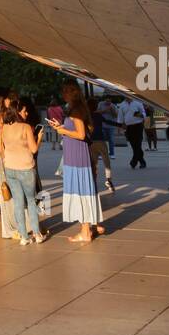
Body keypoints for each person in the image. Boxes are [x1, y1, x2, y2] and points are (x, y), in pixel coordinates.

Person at [49, 81, 104, 243]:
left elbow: (80, 134)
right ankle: (91, 227)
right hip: (77, 155)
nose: (63, 94)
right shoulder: (76, 109)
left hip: (76, 157)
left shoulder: (76, 110)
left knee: (80, 190)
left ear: (72, 93)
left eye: (65, 92)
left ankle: (85, 231)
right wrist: (62, 127)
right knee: (84, 189)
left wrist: (62, 130)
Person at [0, 108, 48, 244]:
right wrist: (39, 138)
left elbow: (2, 152)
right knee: (31, 201)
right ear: (17, 115)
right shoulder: (25, 127)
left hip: (10, 167)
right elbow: (33, 149)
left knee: (18, 202)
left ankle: (24, 237)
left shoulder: (2, 130)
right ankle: (37, 234)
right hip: (26, 167)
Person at [0, 95, 19, 240]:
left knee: (7, 191)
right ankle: (10, 229)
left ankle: (10, 228)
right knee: (5, 191)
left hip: (1, 152)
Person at [87, 96, 114, 192]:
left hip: (91, 142)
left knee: (94, 163)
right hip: (100, 140)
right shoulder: (97, 115)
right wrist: (120, 125)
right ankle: (108, 180)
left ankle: (93, 182)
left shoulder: (86, 117)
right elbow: (108, 121)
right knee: (106, 162)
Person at [120, 96, 148, 168]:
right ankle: (142, 161)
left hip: (138, 125)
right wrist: (121, 125)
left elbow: (144, 113)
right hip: (128, 127)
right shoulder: (122, 104)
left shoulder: (138, 103)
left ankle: (134, 161)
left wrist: (141, 115)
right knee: (133, 145)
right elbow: (120, 116)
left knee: (138, 144)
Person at [98, 95, 118, 160]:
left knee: (111, 140)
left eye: (109, 101)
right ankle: (101, 154)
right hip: (102, 124)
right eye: (107, 100)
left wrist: (112, 110)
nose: (108, 102)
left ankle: (112, 154)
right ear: (105, 99)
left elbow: (116, 116)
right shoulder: (101, 104)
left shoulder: (113, 106)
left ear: (111, 100)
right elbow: (97, 112)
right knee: (101, 140)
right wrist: (105, 110)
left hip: (111, 126)